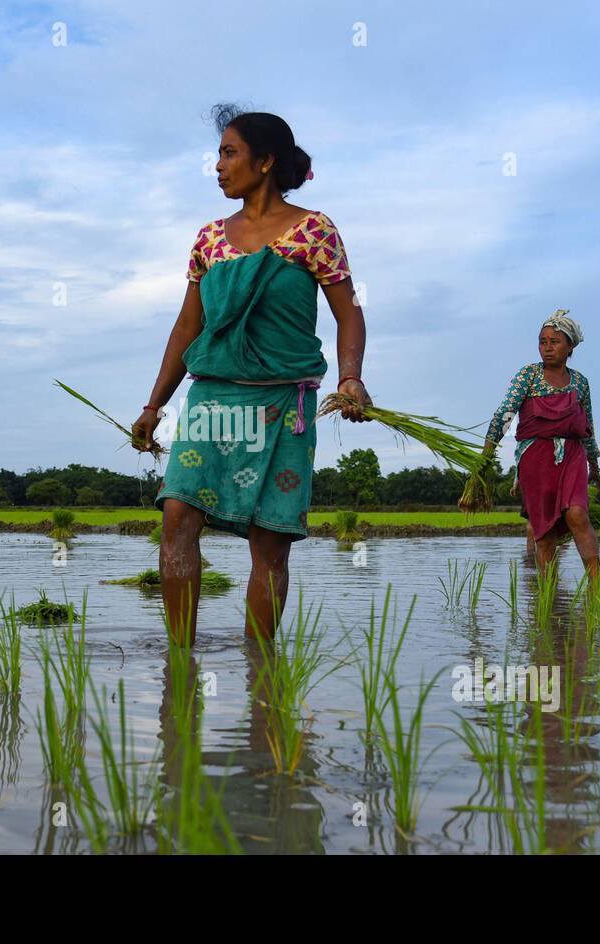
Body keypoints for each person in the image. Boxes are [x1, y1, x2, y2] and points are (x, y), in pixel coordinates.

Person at [132, 105, 371, 646]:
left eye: (228, 152)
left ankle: (261, 671)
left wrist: (350, 378)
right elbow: (188, 325)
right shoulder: (209, 240)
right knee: (177, 516)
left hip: (282, 404)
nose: (218, 166)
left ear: (265, 162)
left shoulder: (313, 230)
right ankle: (180, 665)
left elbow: (349, 310)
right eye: (219, 153)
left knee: (269, 541)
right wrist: (154, 405)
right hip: (213, 399)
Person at [483, 311, 600, 577]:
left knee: (577, 515)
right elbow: (505, 414)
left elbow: (588, 426)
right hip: (536, 456)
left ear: (570, 346)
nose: (547, 348)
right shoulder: (528, 375)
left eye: (555, 342)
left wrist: (594, 466)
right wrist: (486, 454)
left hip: (571, 455)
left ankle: (598, 588)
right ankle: (546, 597)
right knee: (545, 531)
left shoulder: (580, 383)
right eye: (543, 341)